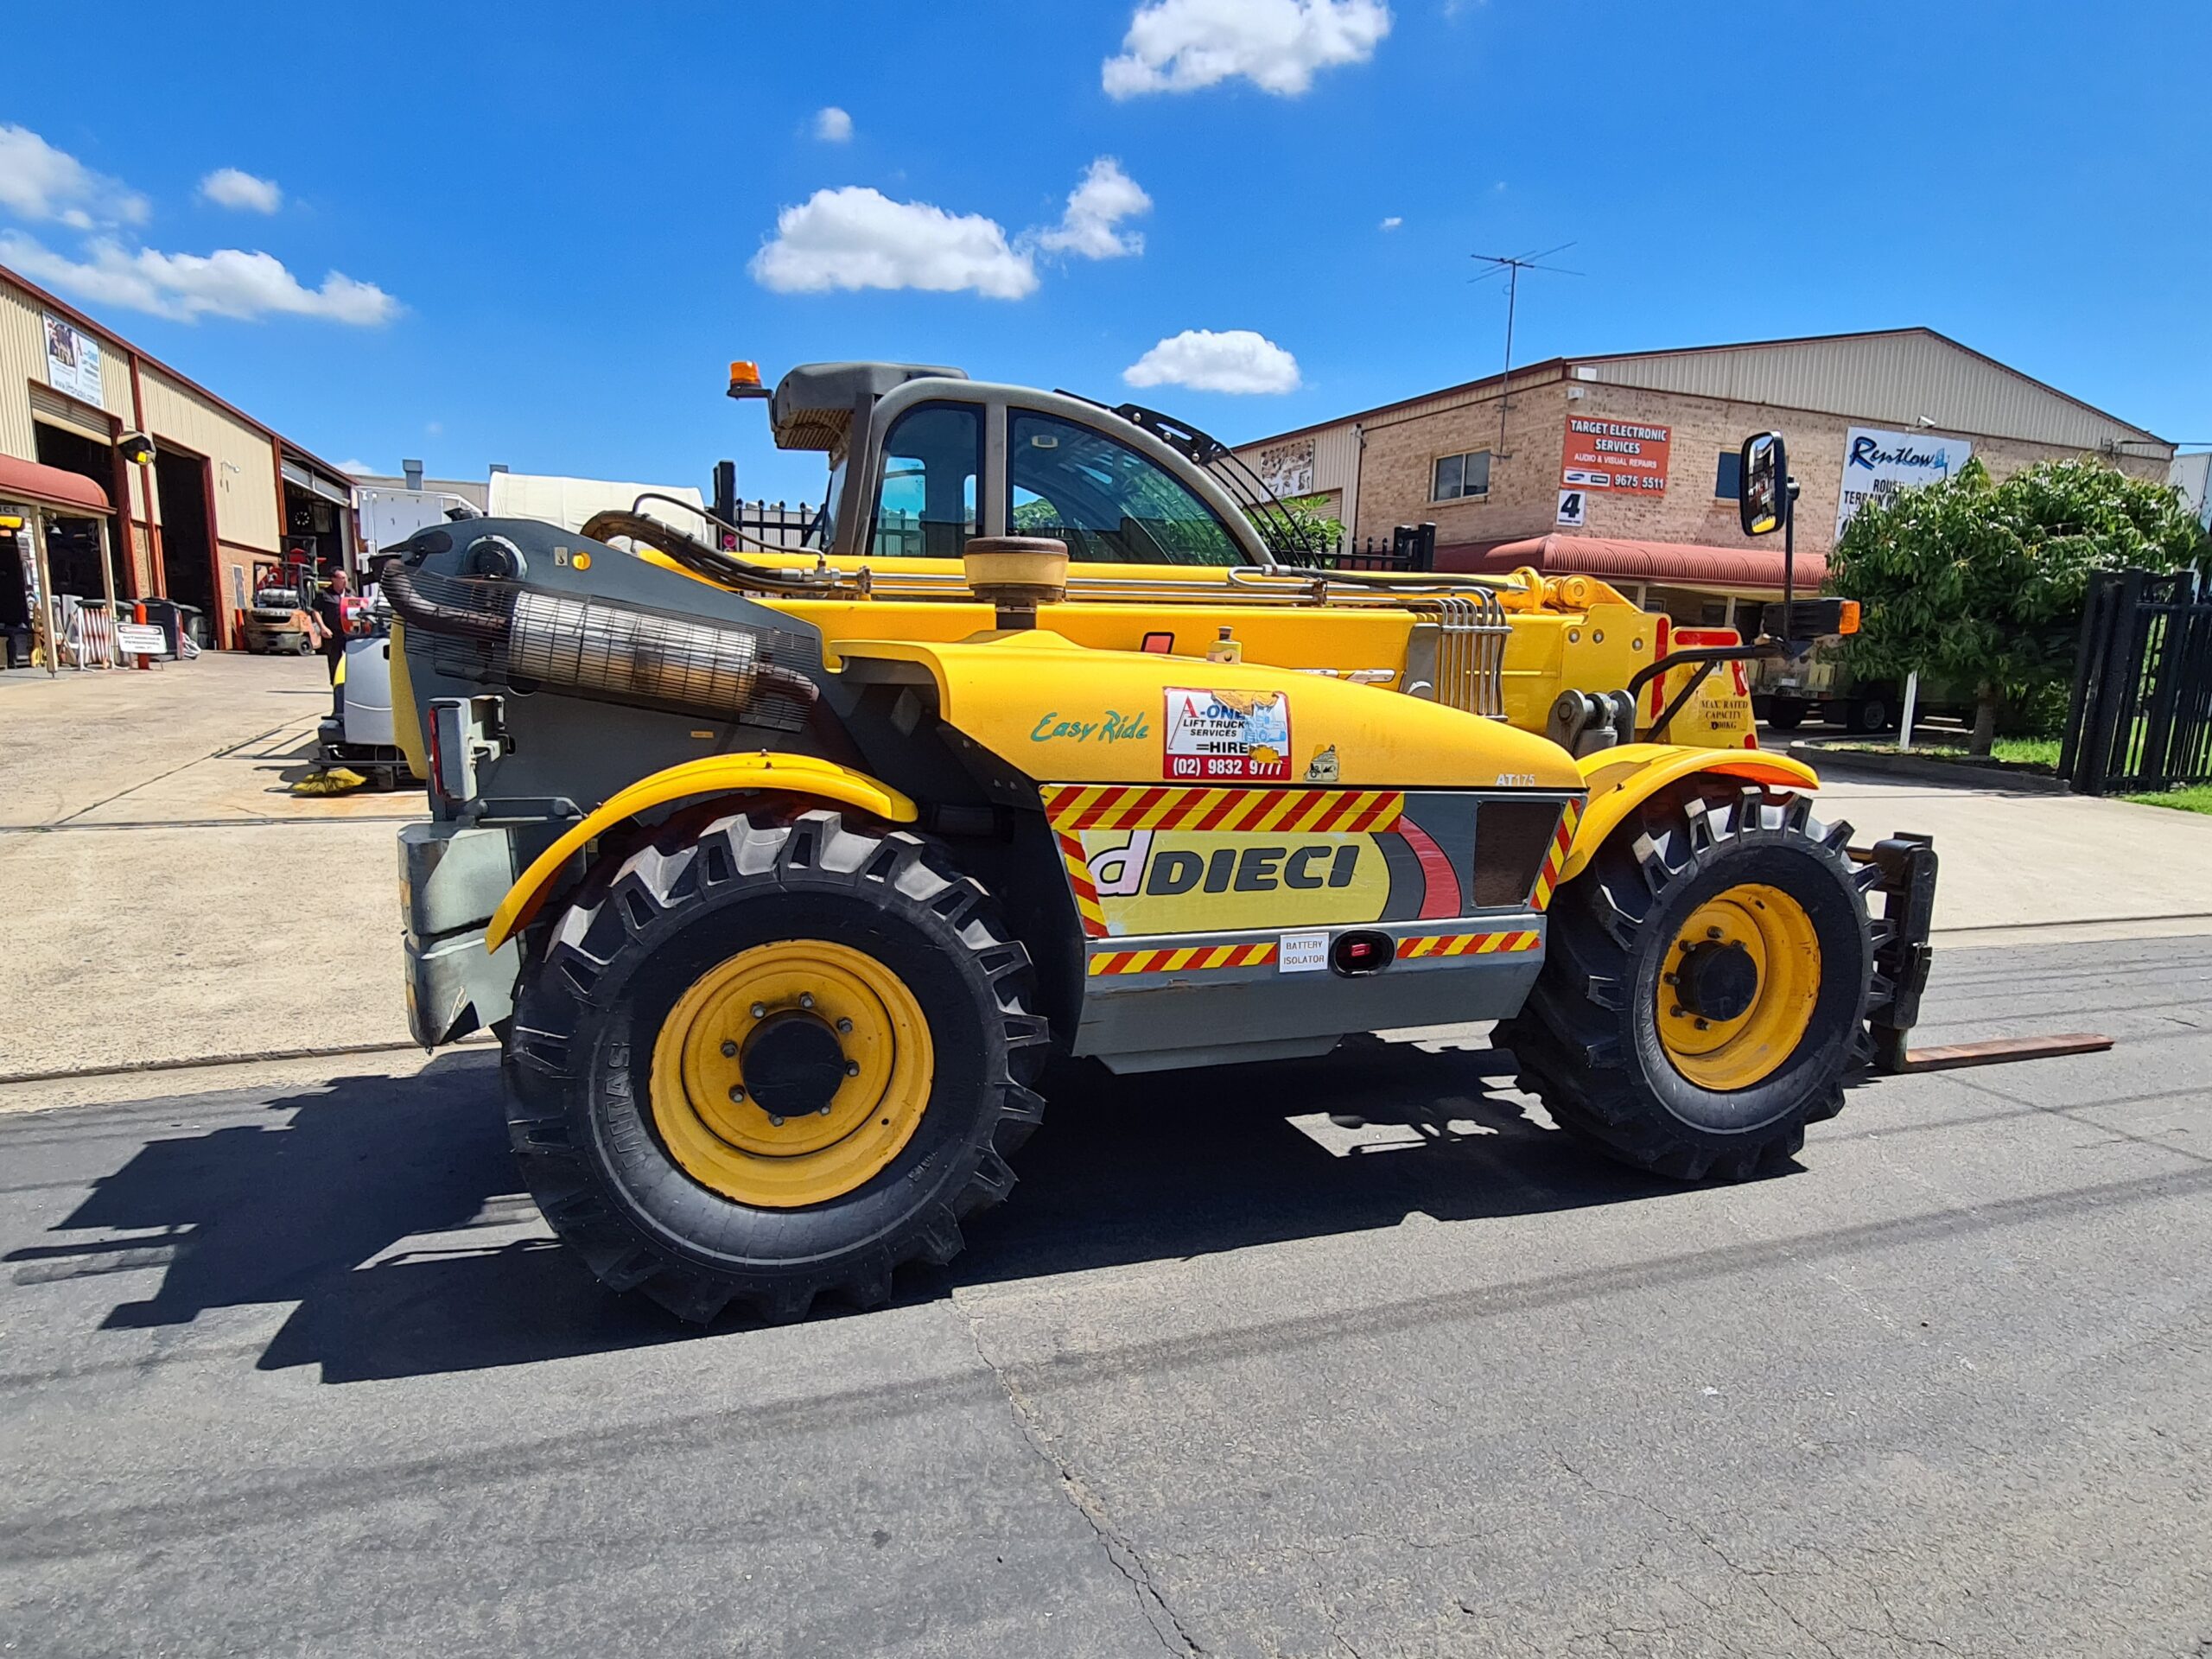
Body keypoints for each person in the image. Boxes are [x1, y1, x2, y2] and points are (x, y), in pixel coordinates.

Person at [313, 569, 353, 720]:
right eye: (341, 578)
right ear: (333, 579)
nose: (345, 581)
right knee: (335, 665)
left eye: (346, 578)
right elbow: (315, 611)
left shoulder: (350, 592)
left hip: (349, 633)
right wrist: (322, 627)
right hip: (333, 633)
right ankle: (338, 700)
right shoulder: (324, 594)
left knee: (352, 663)